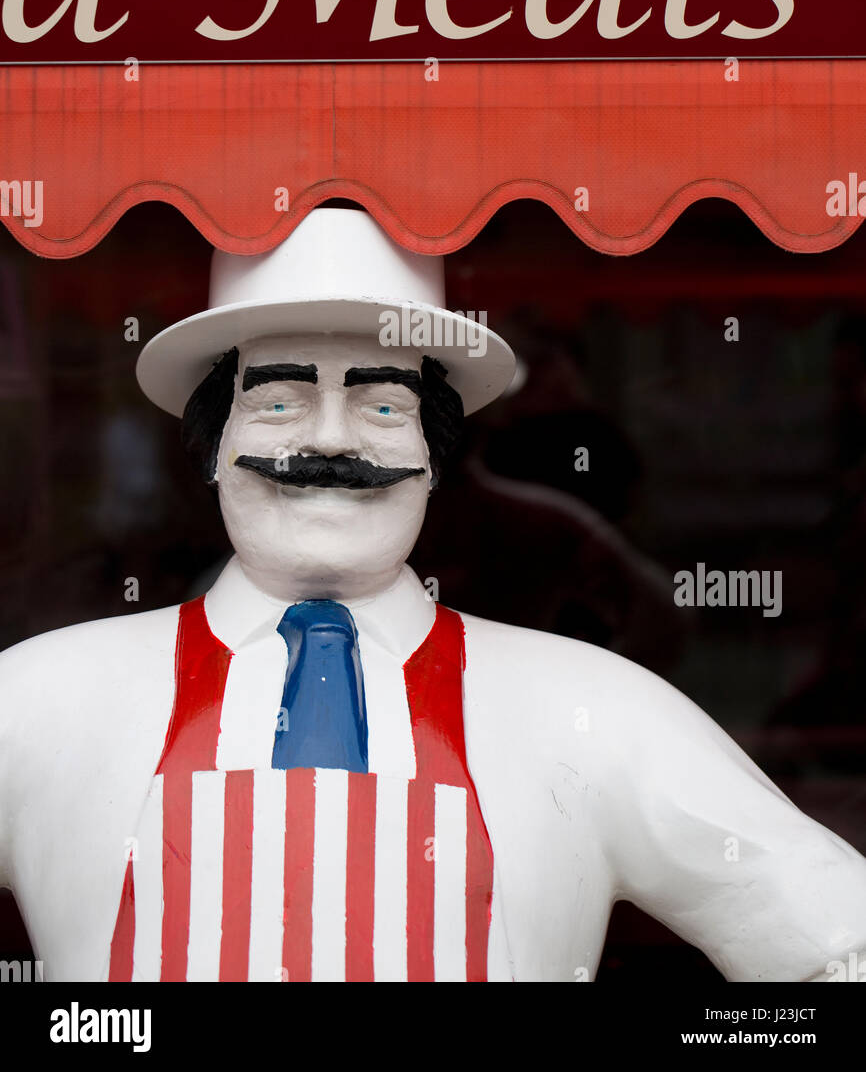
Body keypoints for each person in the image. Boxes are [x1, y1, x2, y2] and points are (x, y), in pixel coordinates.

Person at [0, 206, 864, 982]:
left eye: (381, 406)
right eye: (278, 401)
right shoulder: (40, 700)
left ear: (436, 453)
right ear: (210, 445)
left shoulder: (593, 710)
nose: (330, 438)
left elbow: (831, 939)